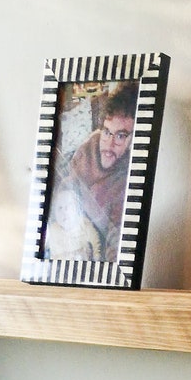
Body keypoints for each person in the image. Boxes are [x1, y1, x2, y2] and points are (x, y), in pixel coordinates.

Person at [46, 83, 138, 261]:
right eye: (107, 132)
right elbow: (66, 186)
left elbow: (117, 243)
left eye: (120, 136)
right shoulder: (90, 145)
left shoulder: (128, 178)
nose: (109, 144)